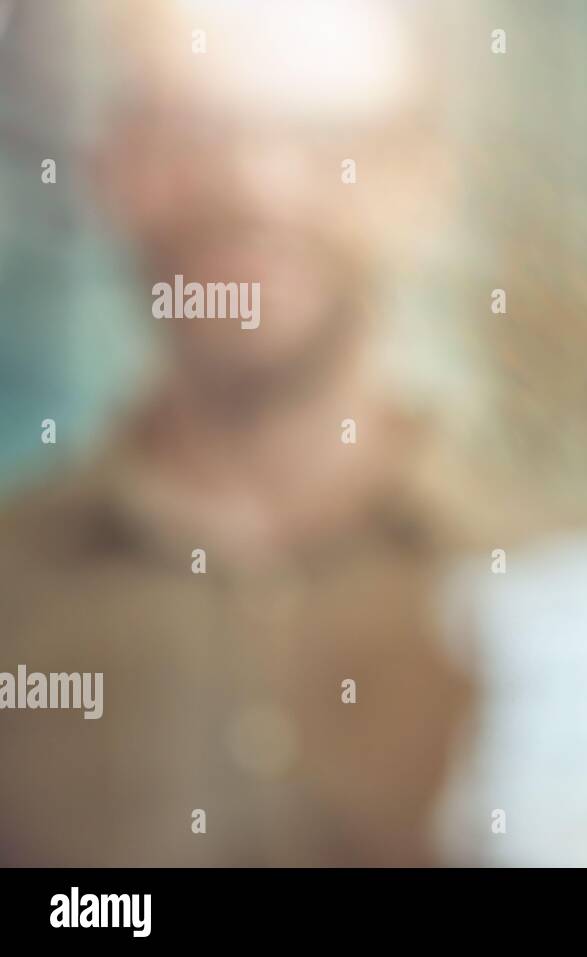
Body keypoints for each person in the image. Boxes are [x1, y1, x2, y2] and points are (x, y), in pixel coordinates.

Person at [0, 1, 485, 865]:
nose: (256, 185)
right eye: (194, 130)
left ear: (425, 179)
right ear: (112, 168)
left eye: (328, 138)